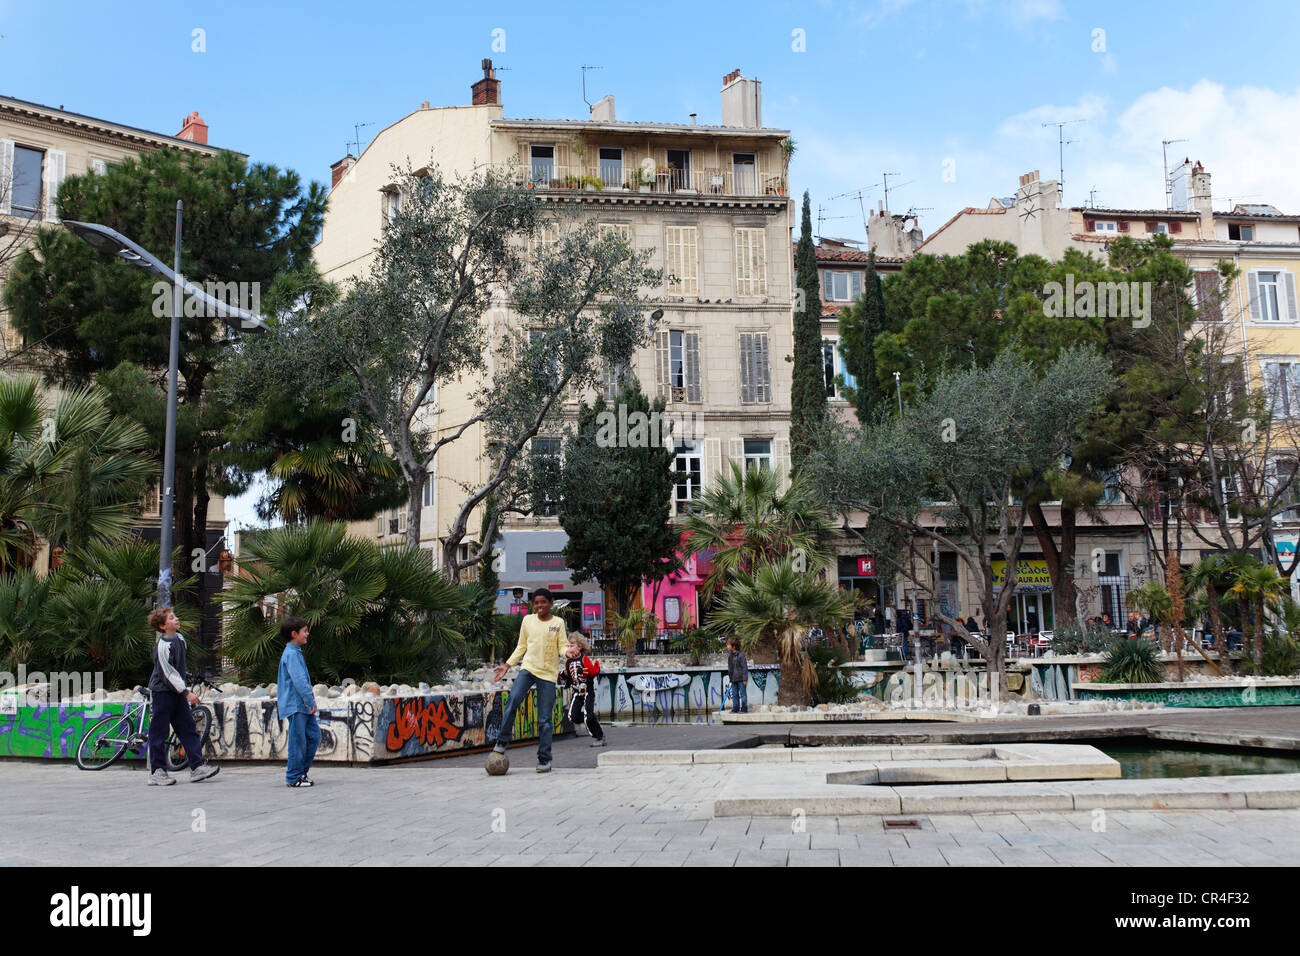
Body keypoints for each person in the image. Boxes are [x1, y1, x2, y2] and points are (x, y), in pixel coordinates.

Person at [491, 589, 569, 772]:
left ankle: (544, 759)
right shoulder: (528, 620)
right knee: (513, 700)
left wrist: (568, 653)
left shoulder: (558, 623)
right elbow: (522, 646)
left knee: (545, 719)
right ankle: (502, 742)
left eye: (543, 602)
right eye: (536, 603)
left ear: (551, 603)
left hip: (548, 674)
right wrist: (507, 665)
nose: (539, 606)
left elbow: (562, 646)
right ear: (532, 605)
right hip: (528, 669)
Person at [145, 607, 219, 786]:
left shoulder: (181, 640)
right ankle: (157, 771)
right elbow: (168, 674)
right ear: (163, 626)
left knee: (188, 728)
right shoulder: (162, 647)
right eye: (171, 618)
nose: (176, 619)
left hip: (176, 692)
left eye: (175, 616)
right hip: (162, 693)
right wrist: (186, 693)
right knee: (159, 733)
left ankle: (196, 767)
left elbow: (179, 668)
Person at [278, 615, 320, 788]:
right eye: (304, 631)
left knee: (314, 737)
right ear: (294, 634)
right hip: (297, 705)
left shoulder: (295, 653)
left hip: (301, 705)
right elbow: (300, 681)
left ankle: (301, 772)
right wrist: (310, 701)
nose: (307, 634)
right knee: (298, 742)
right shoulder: (292, 654)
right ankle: (294, 776)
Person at [559, 633, 605, 747]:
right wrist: (563, 675)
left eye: (571, 646)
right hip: (577, 692)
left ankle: (599, 736)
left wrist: (586, 671)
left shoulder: (584, 659)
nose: (569, 648)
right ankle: (588, 720)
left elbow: (593, 673)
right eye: (568, 646)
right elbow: (567, 676)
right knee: (572, 716)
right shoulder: (568, 662)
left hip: (588, 690)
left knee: (588, 716)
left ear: (579, 647)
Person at [726, 637, 749, 713]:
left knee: (743, 695)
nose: (727, 646)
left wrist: (745, 679)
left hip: (741, 679)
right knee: (735, 694)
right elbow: (730, 668)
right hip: (733, 679)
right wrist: (730, 678)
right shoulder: (730, 656)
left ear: (734, 646)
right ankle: (735, 708)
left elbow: (744, 668)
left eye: (728, 645)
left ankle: (744, 708)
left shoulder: (741, 656)